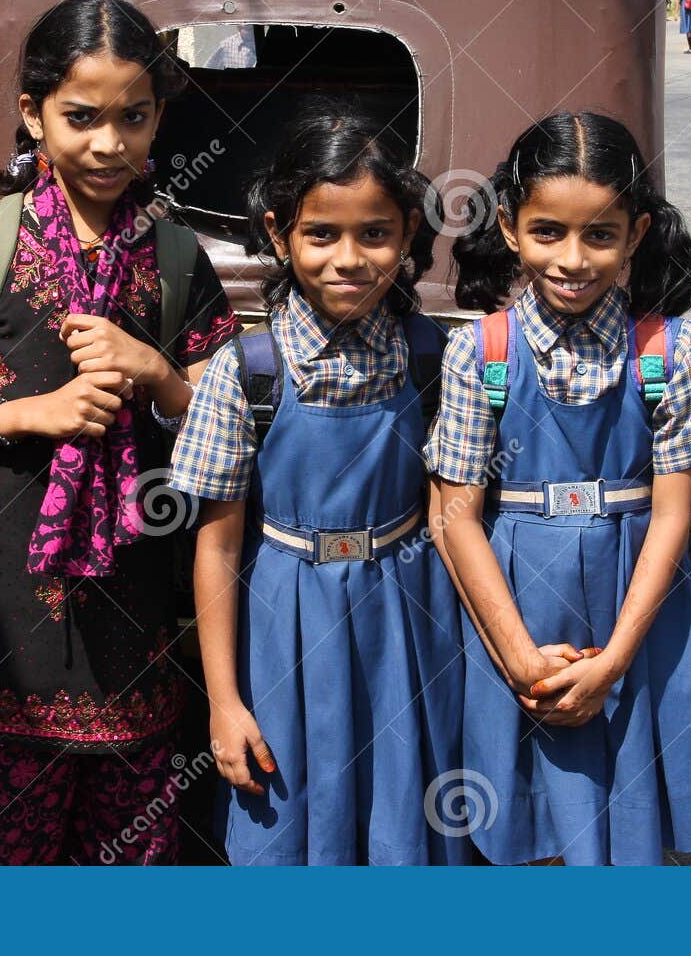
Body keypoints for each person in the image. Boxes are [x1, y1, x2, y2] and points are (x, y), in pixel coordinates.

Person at [0, 0, 239, 865]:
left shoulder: (176, 257)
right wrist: (30, 414)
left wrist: (155, 371)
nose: (109, 143)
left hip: (135, 626)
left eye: (135, 116)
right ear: (32, 115)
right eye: (81, 118)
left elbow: (220, 427)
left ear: (160, 116)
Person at [427, 112, 691, 866]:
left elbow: (673, 518)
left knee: (629, 800)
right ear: (508, 227)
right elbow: (454, 515)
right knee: (518, 803)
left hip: (637, 608)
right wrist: (517, 656)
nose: (573, 259)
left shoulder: (671, 351)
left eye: (599, 235)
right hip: (513, 605)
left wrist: (614, 660)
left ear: (636, 234)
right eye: (548, 232)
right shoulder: (482, 351)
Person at [168, 107, 467, 865]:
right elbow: (218, 543)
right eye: (320, 234)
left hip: (408, 619)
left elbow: (459, 516)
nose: (349, 258)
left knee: (408, 814)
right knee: (295, 814)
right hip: (284, 624)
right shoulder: (249, 371)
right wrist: (225, 703)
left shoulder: (431, 358)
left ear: (406, 235)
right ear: (278, 234)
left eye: (375, 233)